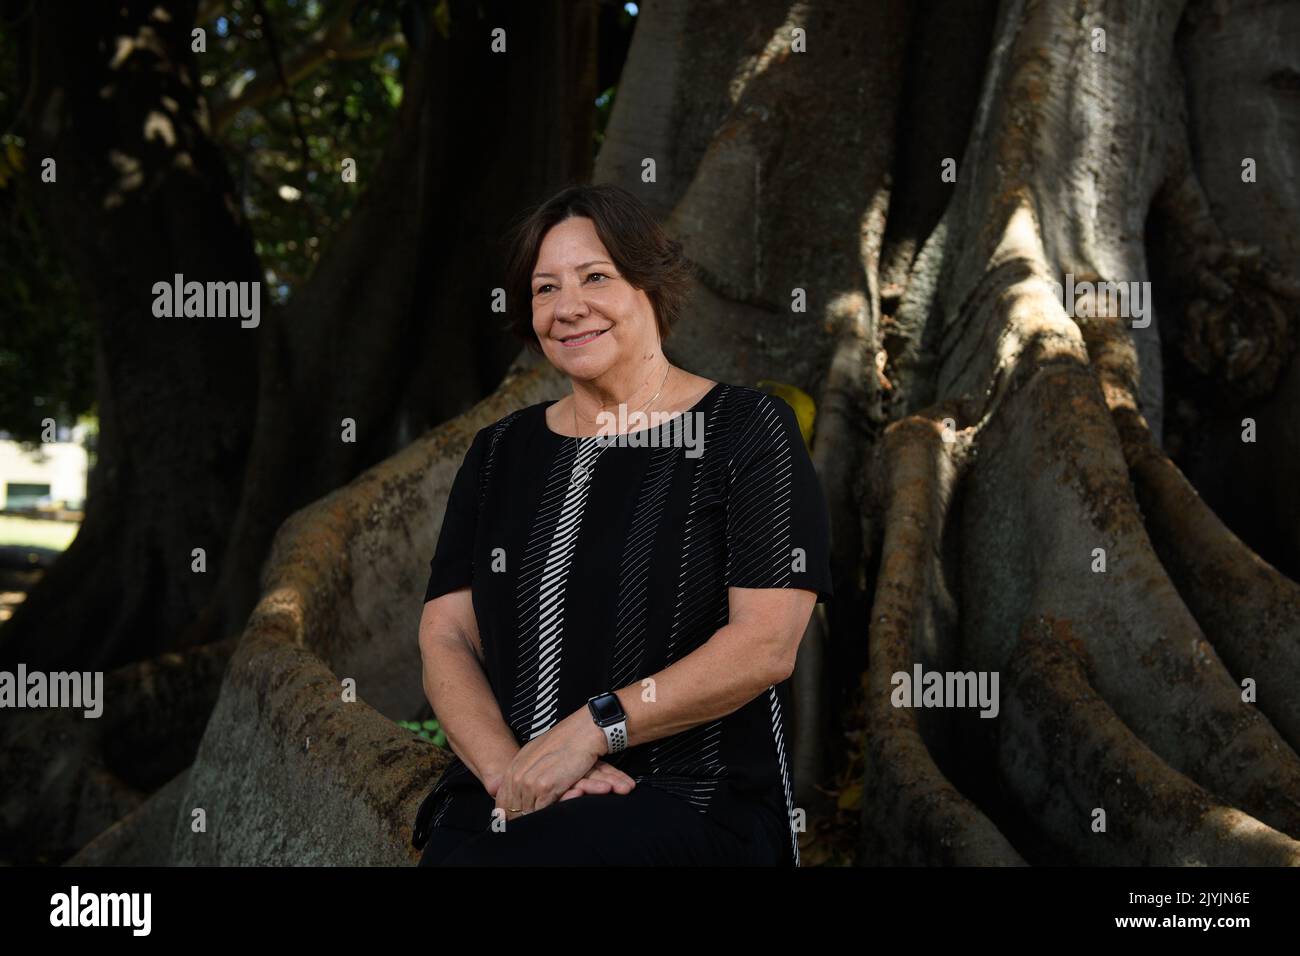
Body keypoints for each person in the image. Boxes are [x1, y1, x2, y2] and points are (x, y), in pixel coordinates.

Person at [412, 182, 833, 866]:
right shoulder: (499, 453)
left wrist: (590, 732)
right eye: (544, 289)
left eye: (595, 277)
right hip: (511, 796)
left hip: (691, 795)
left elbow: (765, 644)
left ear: (650, 284)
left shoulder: (747, 430)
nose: (567, 306)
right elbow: (447, 634)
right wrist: (511, 775)